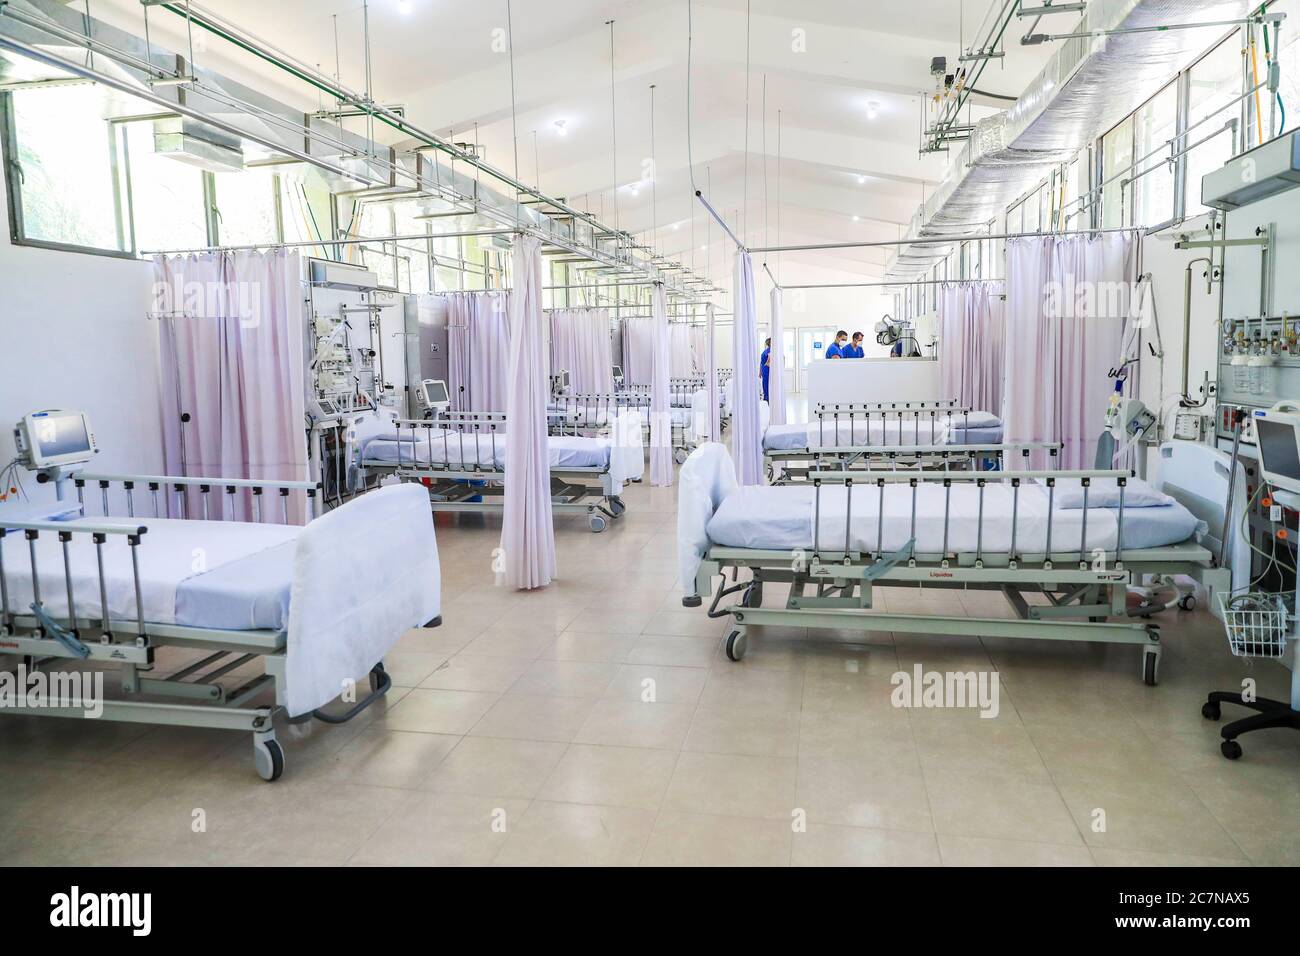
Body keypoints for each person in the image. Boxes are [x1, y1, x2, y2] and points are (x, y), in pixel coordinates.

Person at [760, 337, 771, 402]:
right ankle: (767, 400)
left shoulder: (765, 351)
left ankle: (766, 399)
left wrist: (760, 372)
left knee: (765, 386)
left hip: (765, 370)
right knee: (767, 386)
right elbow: (769, 358)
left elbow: (761, 363)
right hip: (767, 370)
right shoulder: (769, 350)